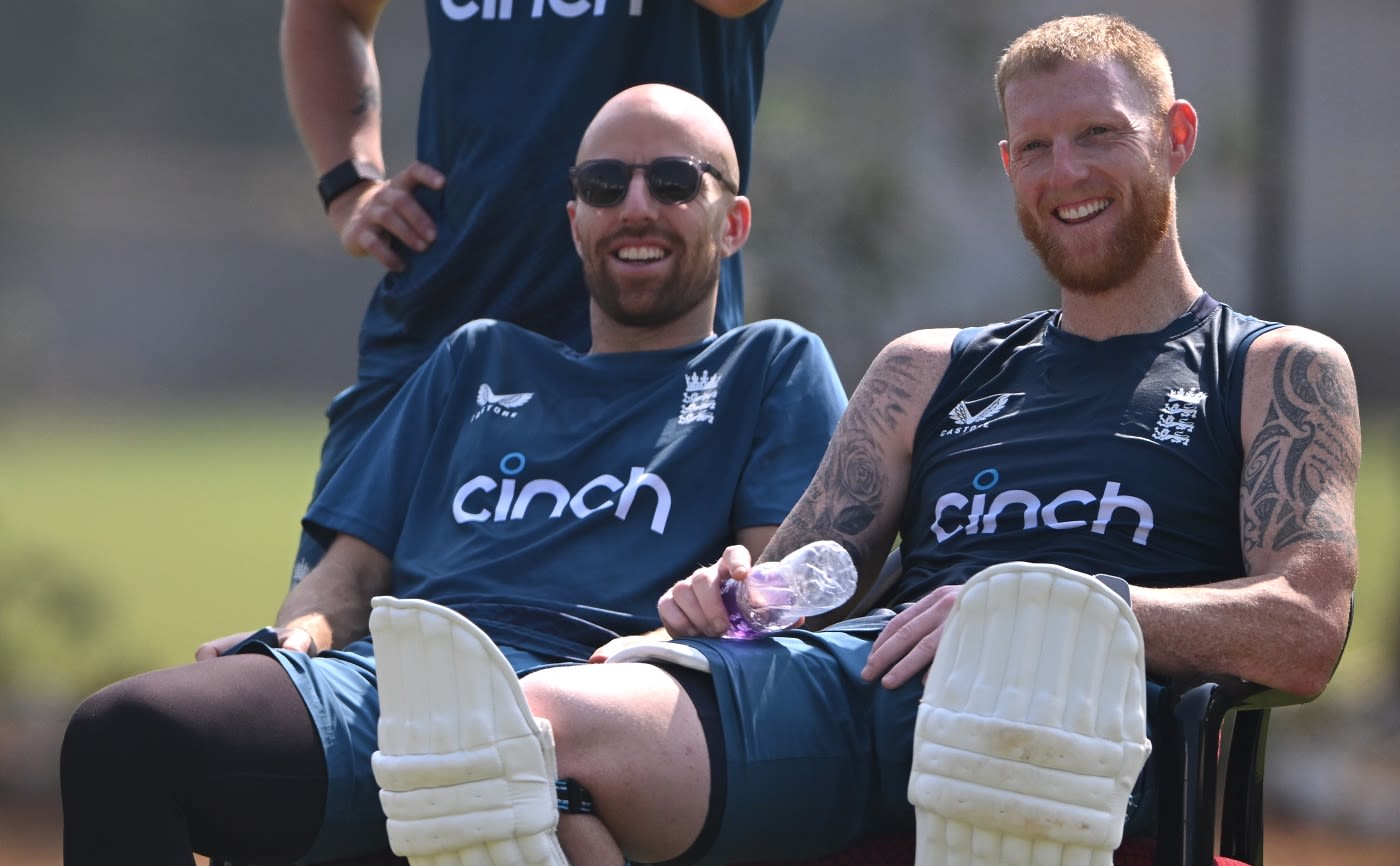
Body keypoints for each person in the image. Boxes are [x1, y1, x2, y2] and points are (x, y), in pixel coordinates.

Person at [364, 13, 1361, 866]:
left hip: (1077, 719)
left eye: (1098, 134)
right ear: (1007, 165)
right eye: (1036, 147)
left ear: (1174, 136)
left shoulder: (1274, 367)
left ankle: (1009, 724)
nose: (1067, 172)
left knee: (1027, 673)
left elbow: (1304, 626)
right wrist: (742, 595)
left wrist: (1060, 605)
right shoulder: (926, 366)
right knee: (523, 730)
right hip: (862, 688)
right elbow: (813, 572)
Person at [57, 83, 846, 866]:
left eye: (673, 181)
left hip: (589, 714)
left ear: (733, 222)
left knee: (483, 791)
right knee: (123, 737)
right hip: (395, 692)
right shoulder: (477, 360)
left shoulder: (770, 365)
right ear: (576, 224)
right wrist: (295, 643)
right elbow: (349, 572)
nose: (635, 206)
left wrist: (686, 636)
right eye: (604, 186)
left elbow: (776, 598)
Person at [280, 0, 782, 582]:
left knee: (607, 652)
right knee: (322, 636)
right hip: (437, 338)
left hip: (652, 363)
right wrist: (351, 184)